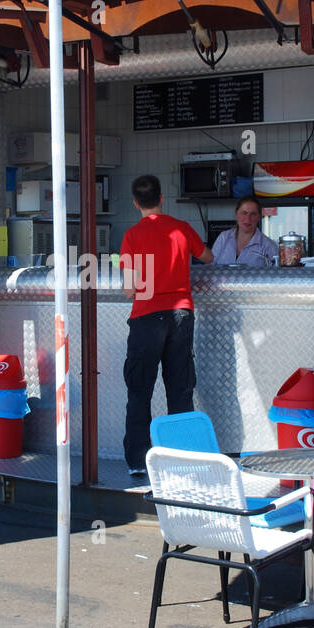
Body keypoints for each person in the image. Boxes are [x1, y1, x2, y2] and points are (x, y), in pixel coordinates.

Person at [119, 174, 214, 476]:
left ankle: (138, 461)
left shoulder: (132, 236)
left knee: (139, 390)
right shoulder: (182, 228)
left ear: (136, 203)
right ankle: (182, 459)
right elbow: (208, 257)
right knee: (180, 388)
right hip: (181, 316)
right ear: (162, 198)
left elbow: (131, 289)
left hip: (146, 317)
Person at [210, 195, 279, 266]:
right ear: (236, 214)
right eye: (244, 213)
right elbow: (210, 266)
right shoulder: (223, 238)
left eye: (253, 214)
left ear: (259, 217)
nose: (248, 219)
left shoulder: (269, 246)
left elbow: (277, 275)